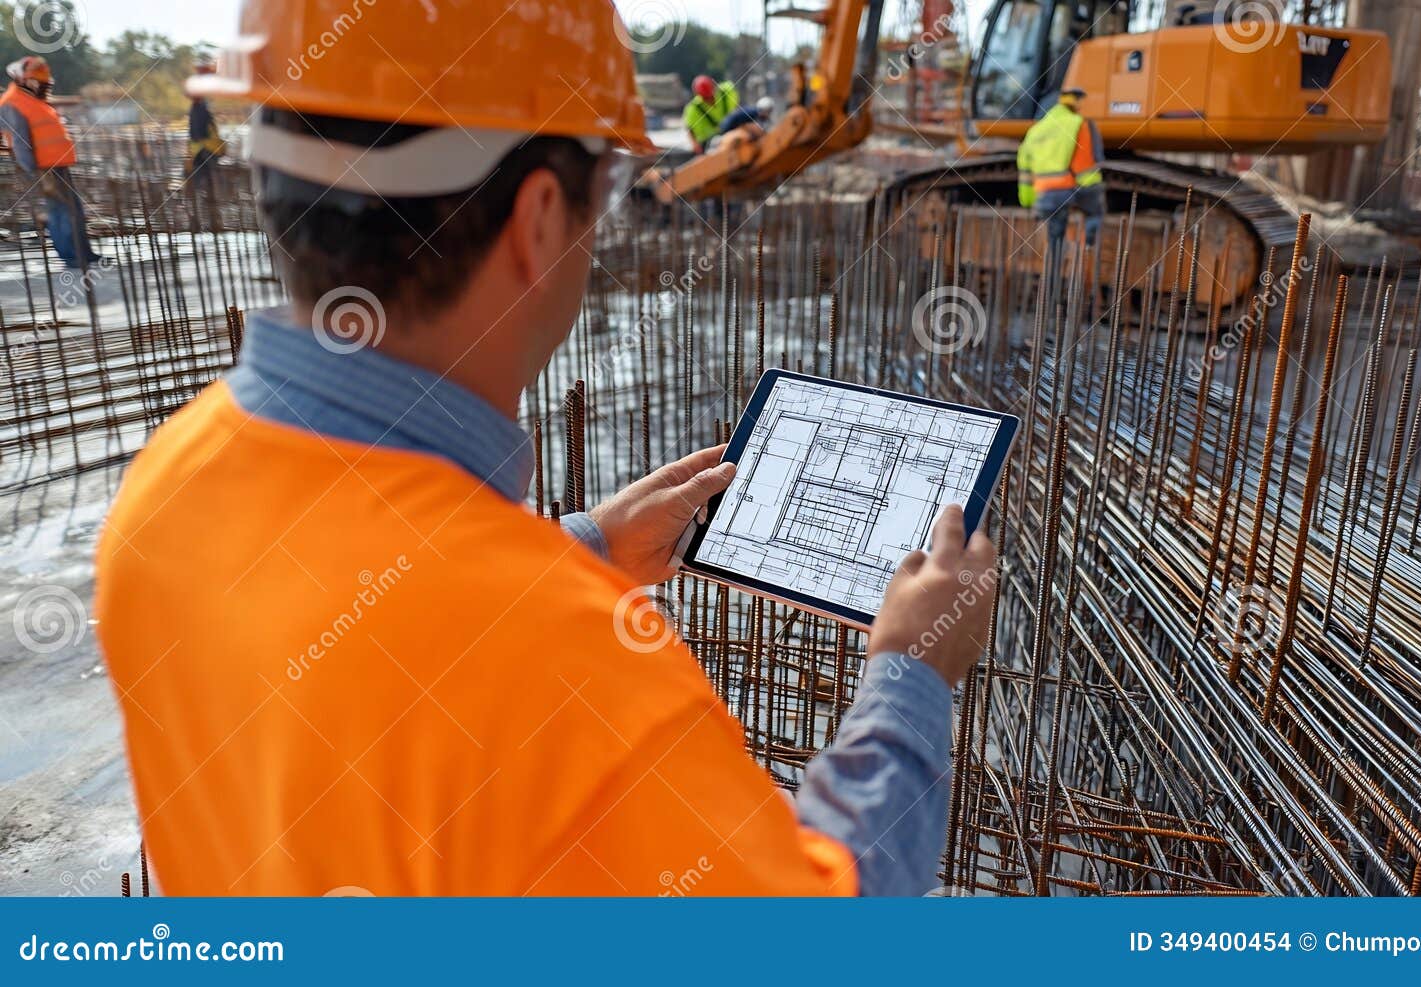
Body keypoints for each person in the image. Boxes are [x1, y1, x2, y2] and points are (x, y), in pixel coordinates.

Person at [96, 0, 996, 897]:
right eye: (602, 191)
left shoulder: (167, 487)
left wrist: (585, 548)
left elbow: (370, 648)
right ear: (536, 218)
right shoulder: (574, 672)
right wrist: (911, 679)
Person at [0, 55, 97, 270]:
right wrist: (33, 173)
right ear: (22, 79)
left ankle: (84, 254)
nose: (41, 85)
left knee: (74, 210)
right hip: (42, 168)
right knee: (60, 212)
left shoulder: (33, 101)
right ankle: (71, 257)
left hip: (57, 164)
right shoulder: (12, 103)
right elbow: (19, 141)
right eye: (37, 81)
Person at [1017, 85, 1105, 251]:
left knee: (1055, 234)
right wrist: (1090, 190)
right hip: (1068, 189)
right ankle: (1089, 248)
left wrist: (1027, 200)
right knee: (1095, 213)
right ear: (1077, 104)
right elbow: (1086, 163)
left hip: (1045, 193)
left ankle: (1055, 256)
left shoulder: (1036, 130)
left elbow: (1025, 168)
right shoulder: (1079, 124)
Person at [185, 55, 227, 210]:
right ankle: (207, 205)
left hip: (204, 150)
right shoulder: (198, 108)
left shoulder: (200, 108)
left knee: (205, 179)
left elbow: (200, 132)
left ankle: (208, 205)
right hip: (204, 150)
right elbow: (198, 132)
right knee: (205, 179)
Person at [683, 74, 739, 152]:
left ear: (714, 88)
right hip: (712, 141)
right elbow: (689, 128)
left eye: (711, 96)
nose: (709, 100)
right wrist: (694, 143)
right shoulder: (694, 108)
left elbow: (737, 106)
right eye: (706, 98)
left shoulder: (726, 92)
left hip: (732, 130)